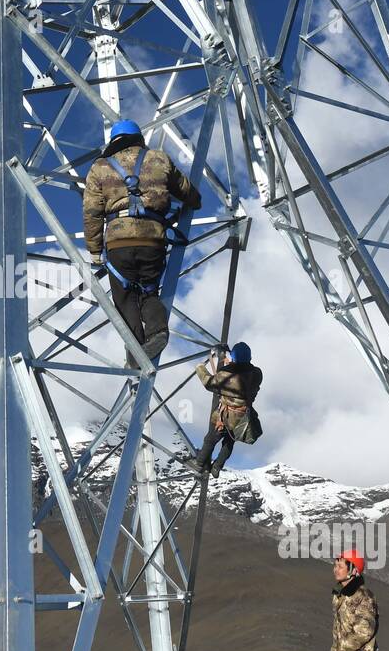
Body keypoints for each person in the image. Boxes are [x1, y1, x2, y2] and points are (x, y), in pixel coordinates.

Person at [82, 119, 201, 363]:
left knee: (124, 298)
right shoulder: (159, 158)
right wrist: (194, 201)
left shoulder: (100, 167)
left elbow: (92, 212)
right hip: (153, 239)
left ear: (113, 141)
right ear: (138, 138)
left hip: (118, 242)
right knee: (149, 290)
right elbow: (187, 192)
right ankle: (157, 331)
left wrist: (94, 250)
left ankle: (135, 352)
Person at [186, 342, 262, 477]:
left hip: (225, 415)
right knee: (229, 441)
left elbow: (209, 383)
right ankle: (217, 467)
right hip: (243, 416)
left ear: (234, 358)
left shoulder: (226, 376)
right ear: (249, 358)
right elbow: (240, 372)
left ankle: (198, 464)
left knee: (210, 439)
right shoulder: (257, 374)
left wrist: (200, 367)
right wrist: (228, 362)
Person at [331, 550, 380, 651]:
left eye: (340, 566)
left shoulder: (364, 597)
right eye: (335, 565)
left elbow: (364, 631)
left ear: (353, 571)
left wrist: (341, 649)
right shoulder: (340, 595)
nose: (335, 569)